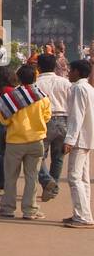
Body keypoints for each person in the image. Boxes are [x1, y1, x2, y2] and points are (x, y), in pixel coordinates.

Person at [0, 63, 51, 221]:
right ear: (35, 78)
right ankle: (30, 210)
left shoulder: (12, 97)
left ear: (18, 78)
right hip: (36, 141)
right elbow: (47, 117)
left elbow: (4, 120)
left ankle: (7, 208)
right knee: (32, 177)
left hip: (15, 142)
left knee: (11, 176)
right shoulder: (42, 97)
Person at [33, 53, 71, 203]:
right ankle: (52, 186)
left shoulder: (36, 82)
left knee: (38, 156)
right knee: (58, 157)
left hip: (44, 120)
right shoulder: (65, 82)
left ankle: (47, 182)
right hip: (63, 119)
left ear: (38, 67)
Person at [63, 59, 94, 227]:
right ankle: (82, 213)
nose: (68, 72)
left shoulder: (79, 89)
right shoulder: (88, 88)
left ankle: (83, 216)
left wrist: (69, 140)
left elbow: (76, 116)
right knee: (82, 178)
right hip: (86, 137)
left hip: (80, 138)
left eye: (71, 70)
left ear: (77, 72)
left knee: (74, 177)